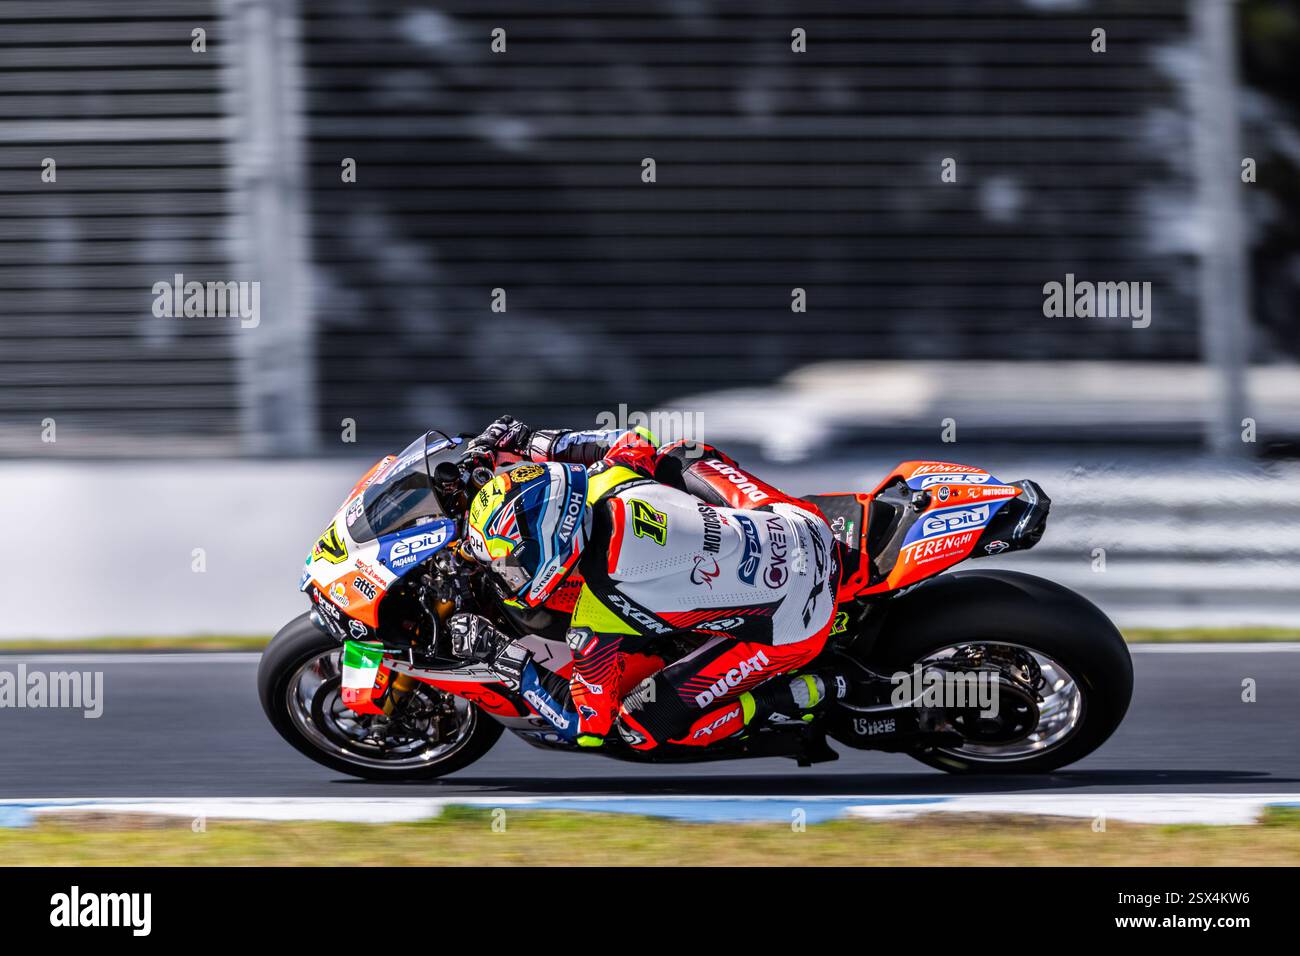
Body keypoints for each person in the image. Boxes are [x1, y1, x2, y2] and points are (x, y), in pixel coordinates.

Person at [450, 416, 840, 751]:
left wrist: (503, 658)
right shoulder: (607, 479)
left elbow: (587, 726)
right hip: (799, 521)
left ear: (550, 547)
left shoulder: (599, 611)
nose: (504, 575)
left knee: (638, 727)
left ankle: (794, 694)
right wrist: (530, 441)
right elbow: (634, 439)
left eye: (508, 563)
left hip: (798, 617)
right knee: (679, 452)